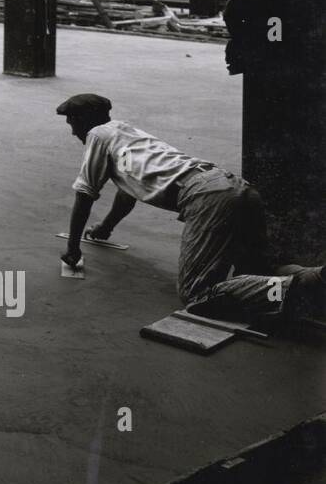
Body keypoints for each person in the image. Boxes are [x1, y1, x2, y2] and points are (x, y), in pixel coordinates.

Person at [57, 93, 323, 328]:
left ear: (85, 119)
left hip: (207, 196)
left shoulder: (98, 134)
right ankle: (316, 277)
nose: (73, 132)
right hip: (235, 187)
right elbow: (128, 192)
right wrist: (105, 228)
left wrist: (73, 248)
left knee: (196, 293)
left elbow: (85, 193)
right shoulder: (126, 133)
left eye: (73, 123)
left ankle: (298, 287)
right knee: (258, 269)